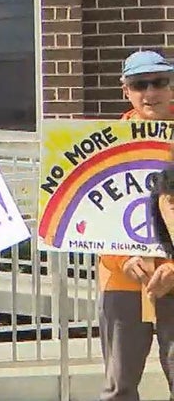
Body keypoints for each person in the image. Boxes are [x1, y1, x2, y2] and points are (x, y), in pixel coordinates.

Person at [99, 50, 174, 401]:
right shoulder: (103, 141)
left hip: (173, 279)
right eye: (139, 84)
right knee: (119, 386)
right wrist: (122, 260)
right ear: (125, 90)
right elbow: (92, 215)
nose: (150, 91)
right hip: (123, 282)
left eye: (158, 82)